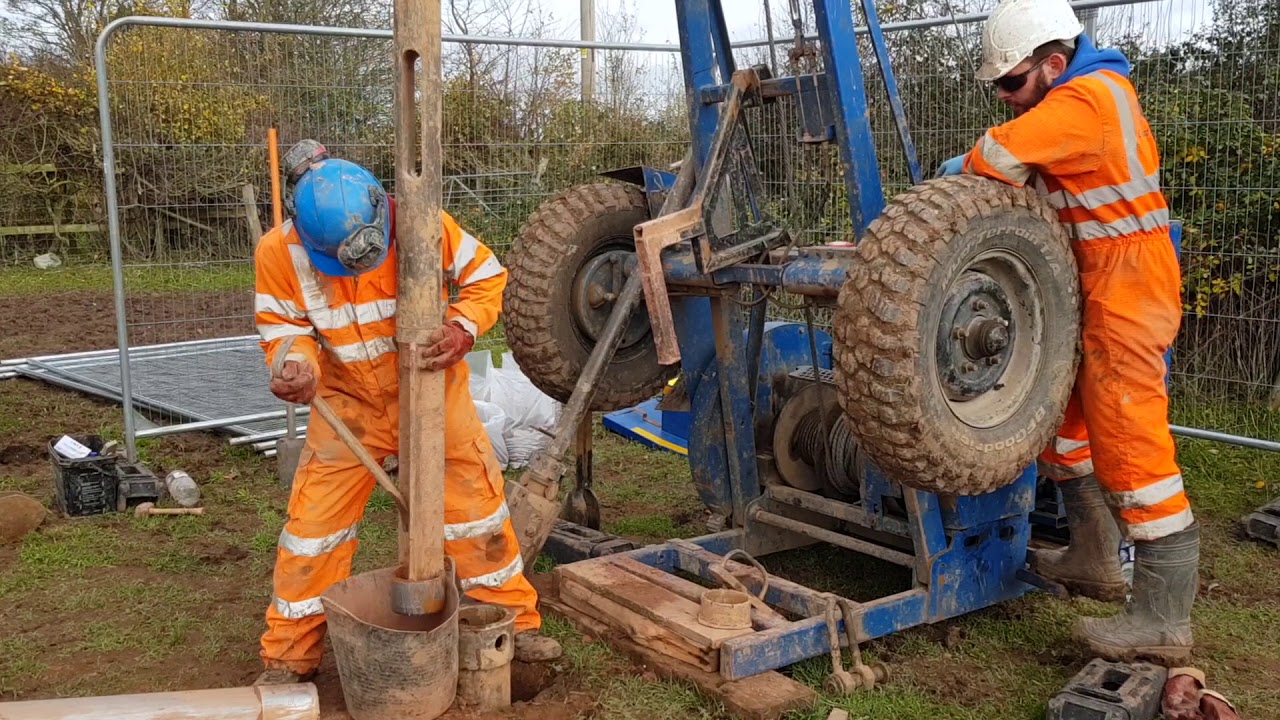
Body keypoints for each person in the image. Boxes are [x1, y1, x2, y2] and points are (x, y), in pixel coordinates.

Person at [939, 0, 1198, 665]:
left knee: (1130, 437)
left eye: (1011, 82)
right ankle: (1094, 556)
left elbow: (995, 156)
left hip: (1127, 281)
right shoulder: (1078, 99)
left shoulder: (1086, 100)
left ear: (1054, 64)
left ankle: (1162, 619)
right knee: (1068, 418)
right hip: (1094, 274)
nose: (1006, 97)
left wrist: (945, 179)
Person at [251, 140, 561, 685]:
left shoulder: (424, 224)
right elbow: (283, 328)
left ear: (382, 209)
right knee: (313, 533)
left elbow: (487, 276)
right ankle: (289, 660)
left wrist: (462, 328)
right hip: (348, 406)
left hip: (433, 394)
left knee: (476, 517)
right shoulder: (280, 253)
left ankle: (511, 627)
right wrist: (295, 365)